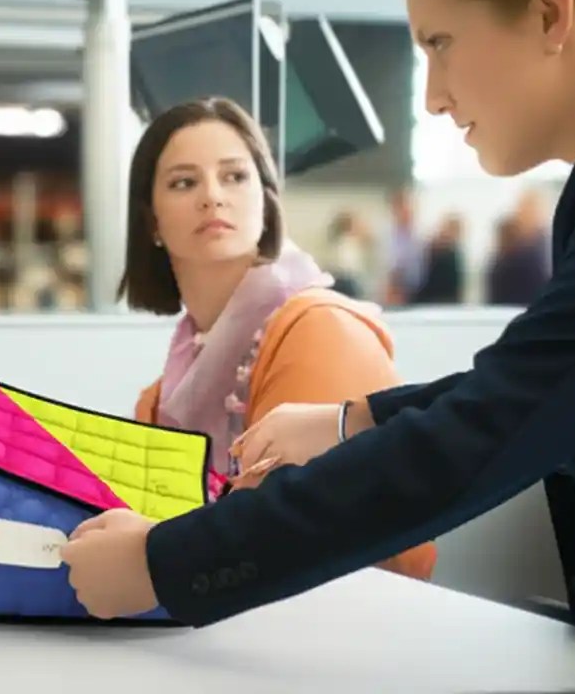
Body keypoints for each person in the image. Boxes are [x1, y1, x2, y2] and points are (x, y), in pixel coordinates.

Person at [60, 0, 575, 639]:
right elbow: (544, 381)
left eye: (440, 43)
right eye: (183, 182)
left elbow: (480, 433)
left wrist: (163, 563)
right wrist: (356, 419)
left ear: (550, 11)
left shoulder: (313, 325)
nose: (432, 98)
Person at [122, 98, 435, 580]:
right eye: (184, 182)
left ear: (267, 202)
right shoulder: (160, 396)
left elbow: (299, 542)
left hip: (347, 627)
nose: (212, 196)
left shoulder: (319, 330)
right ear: (152, 224)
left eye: (234, 177)